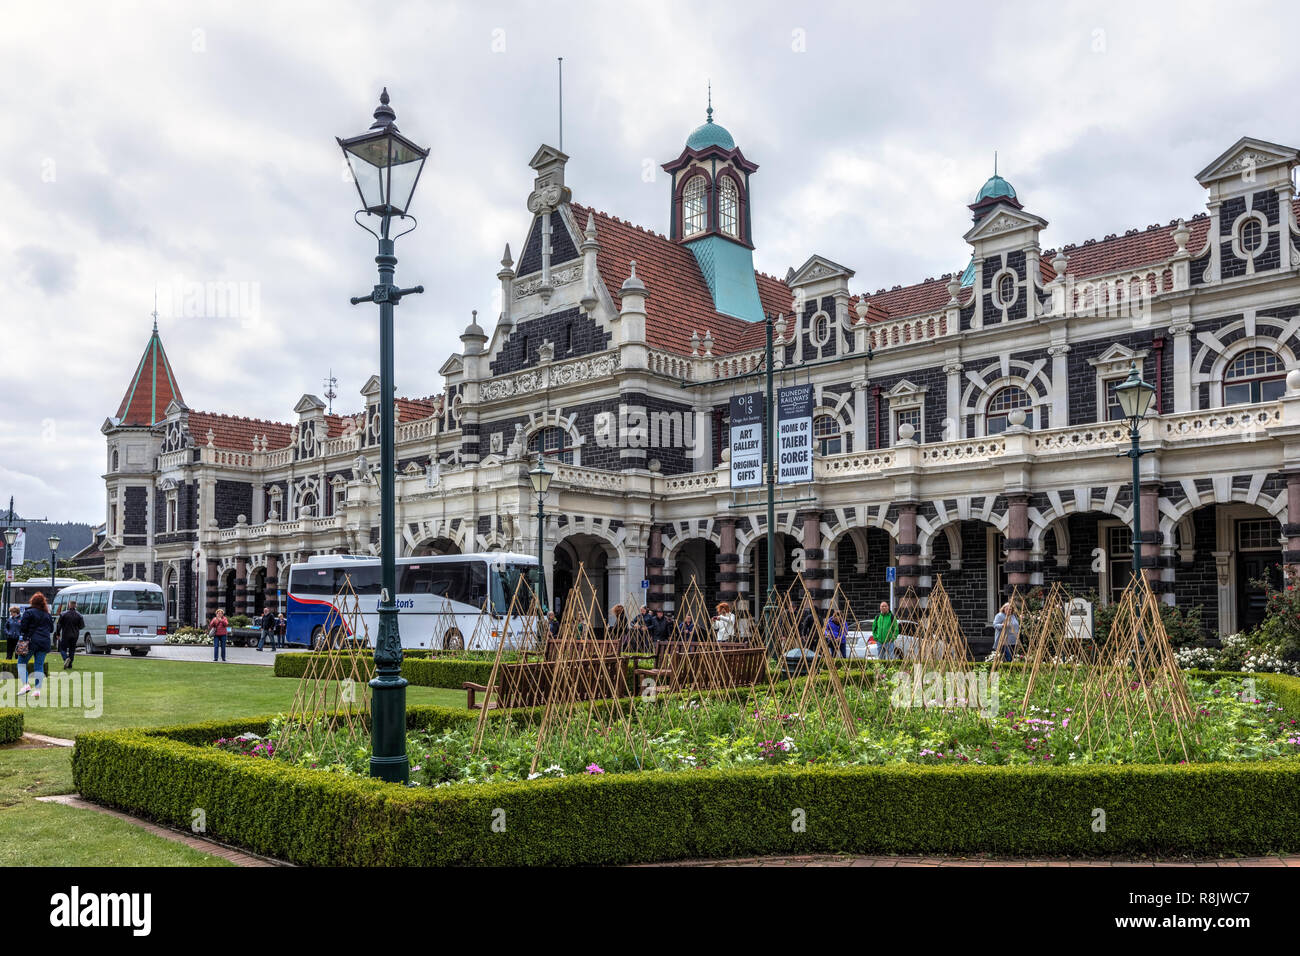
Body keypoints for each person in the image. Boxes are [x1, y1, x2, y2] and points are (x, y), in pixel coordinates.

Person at [16, 592, 53, 699]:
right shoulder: (47, 615)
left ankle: (26, 684)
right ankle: (37, 690)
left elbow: (23, 628)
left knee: (21, 663)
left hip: (31, 642)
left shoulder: (29, 613)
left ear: (32, 601)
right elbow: (51, 629)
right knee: (39, 665)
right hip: (44, 643)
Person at [55, 598, 85, 670]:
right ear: (76, 606)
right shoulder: (79, 615)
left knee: (62, 649)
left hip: (65, 634)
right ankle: (70, 665)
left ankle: (66, 658)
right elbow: (81, 626)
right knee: (72, 649)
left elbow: (59, 625)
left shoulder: (63, 614)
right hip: (75, 635)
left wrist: (58, 633)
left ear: (69, 605)